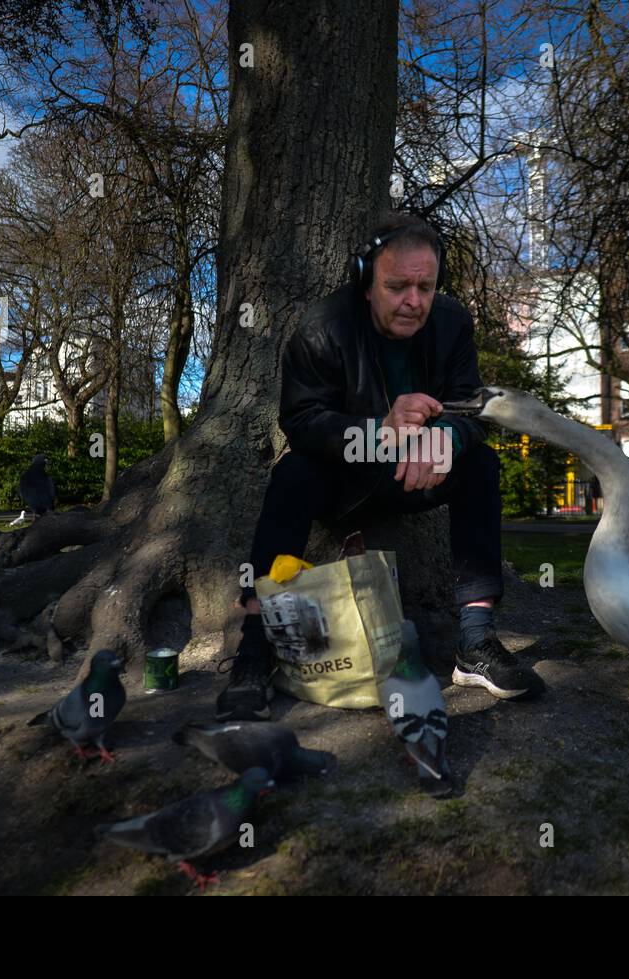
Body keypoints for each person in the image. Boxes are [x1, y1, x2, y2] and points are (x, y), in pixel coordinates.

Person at [215, 213, 545, 721]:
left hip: (416, 476)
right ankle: (255, 649)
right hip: (342, 477)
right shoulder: (322, 327)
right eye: (397, 286)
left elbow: (471, 409)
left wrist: (446, 440)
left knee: (480, 465)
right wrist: (379, 433)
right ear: (366, 282)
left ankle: (476, 643)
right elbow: (301, 421)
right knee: (291, 474)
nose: (414, 301)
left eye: (425, 286)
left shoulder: (453, 323)